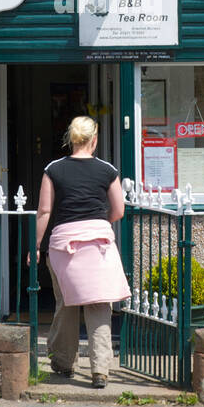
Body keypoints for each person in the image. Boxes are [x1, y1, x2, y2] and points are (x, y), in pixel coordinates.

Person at [36, 115, 129, 388]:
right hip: (99, 245)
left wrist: (37, 245)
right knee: (99, 305)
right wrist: (98, 223)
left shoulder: (53, 169)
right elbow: (119, 210)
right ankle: (100, 370)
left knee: (66, 304)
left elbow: (44, 211)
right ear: (94, 140)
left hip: (65, 246)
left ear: (72, 139)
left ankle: (64, 363)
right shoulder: (107, 170)